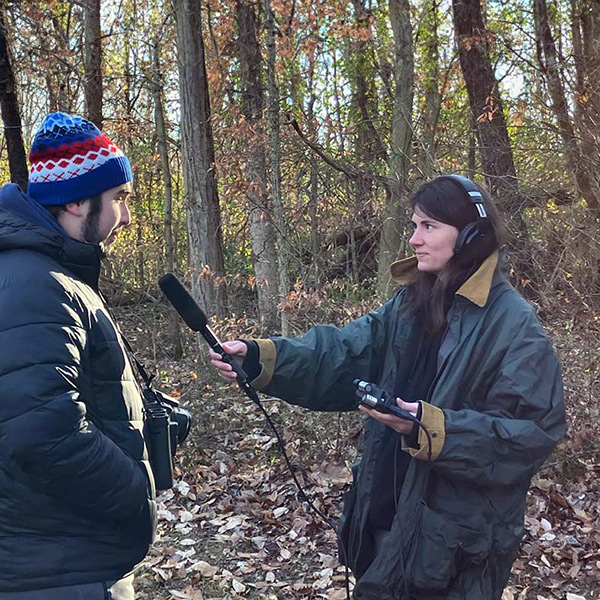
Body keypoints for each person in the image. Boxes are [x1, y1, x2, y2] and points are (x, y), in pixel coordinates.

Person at [210, 175, 566, 600]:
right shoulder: (412, 303)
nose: (414, 239)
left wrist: (431, 429)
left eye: (429, 227)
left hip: (454, 552)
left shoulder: (515, 326)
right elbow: (343, 354)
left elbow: (531, 435)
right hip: (387, 524)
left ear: (470, 235)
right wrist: (259, 357)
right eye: (414, 225)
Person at [0, 113, 156, 599]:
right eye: (119, 199)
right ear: (75, 199)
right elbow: (43, 432)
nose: (126, 217)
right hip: (59, 572)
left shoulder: (45, 274)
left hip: (57, 556)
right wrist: (134, 490)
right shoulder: (36, 285)